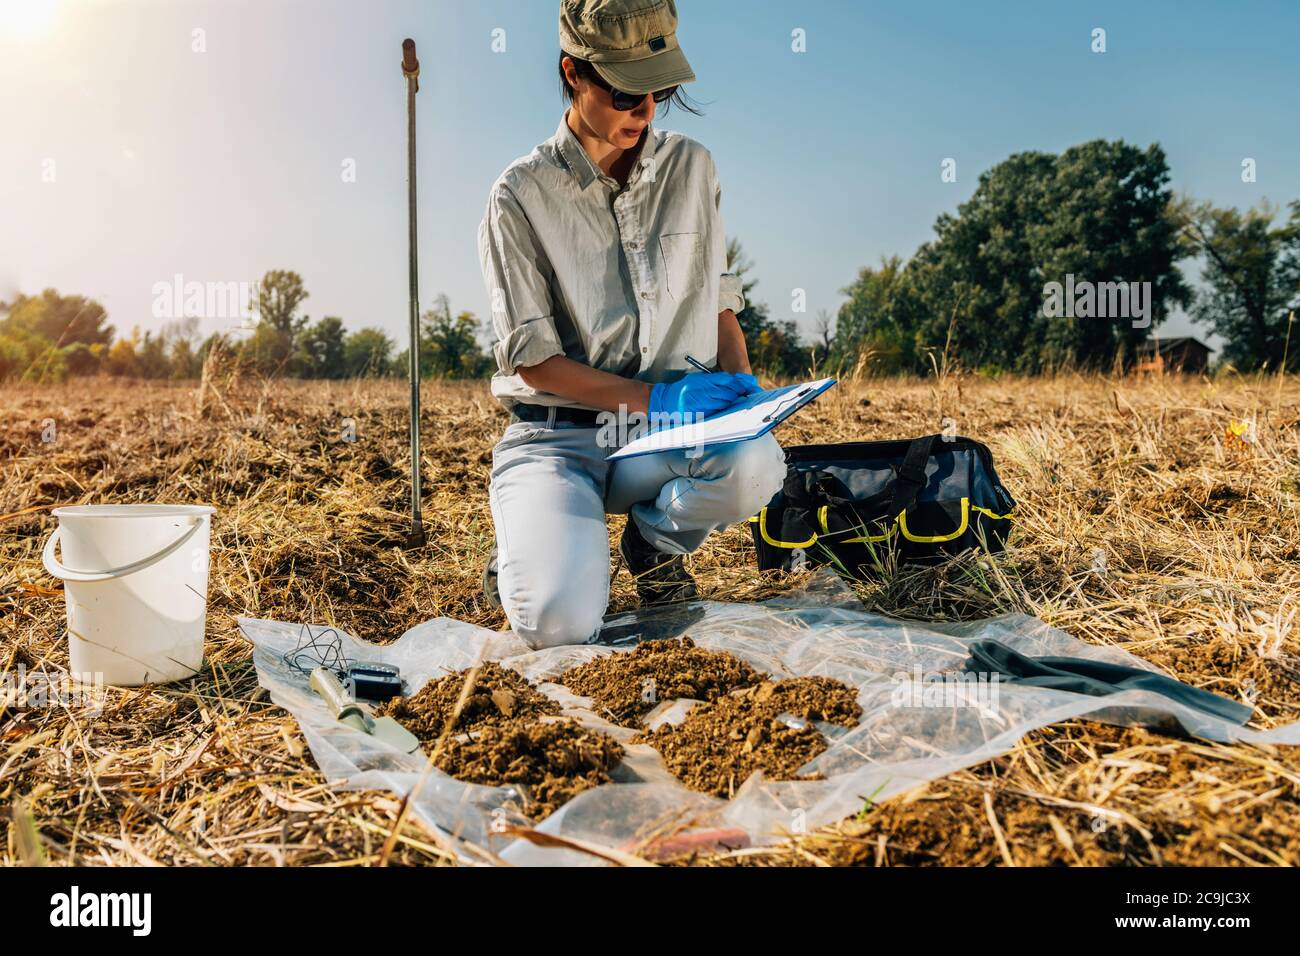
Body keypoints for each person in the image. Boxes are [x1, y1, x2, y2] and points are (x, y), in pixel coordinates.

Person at [477, 0, 787, 649]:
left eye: (659, 91)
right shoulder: (518, 196)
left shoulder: (694, 168)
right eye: (623, 92)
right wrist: (659, 399)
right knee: (560, 626)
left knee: (756, 464)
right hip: (559, 440)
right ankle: (534, 546)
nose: (643, 110)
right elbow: (532, 360)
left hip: (659, 438)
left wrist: (744, 394)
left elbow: (719, 302)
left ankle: (654, 545)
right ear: (573, 73)